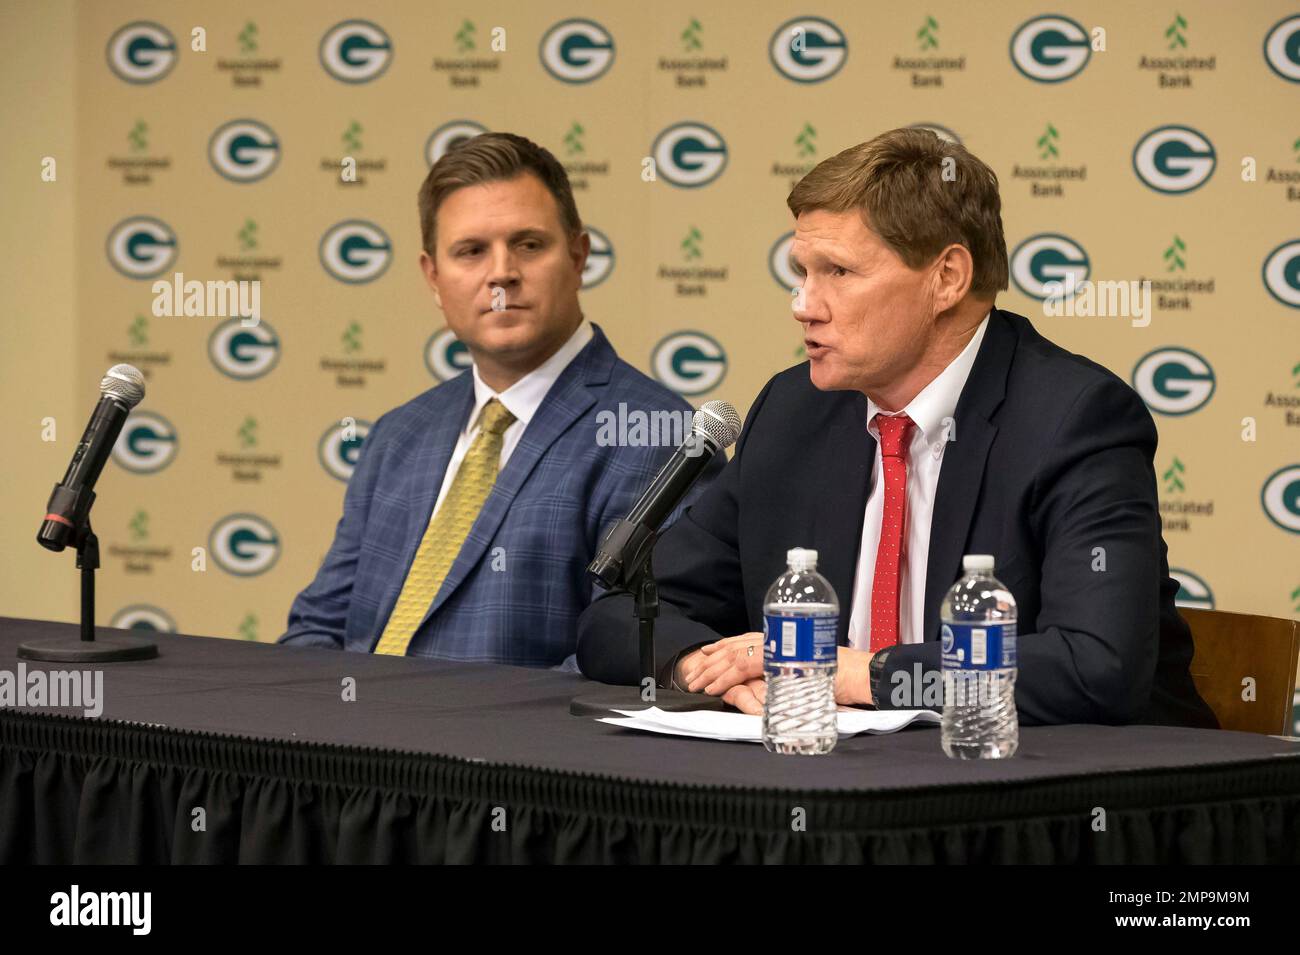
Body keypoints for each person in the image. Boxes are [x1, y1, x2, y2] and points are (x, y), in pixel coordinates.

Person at [577, 127, 1217, 728]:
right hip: (841, 785)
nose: (803, 305)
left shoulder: (1074, 420)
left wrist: (861, 675)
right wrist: (702, 667)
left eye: (839, 273)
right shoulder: (794, 412)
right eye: (802, 272)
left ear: (947, 278)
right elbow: (620, 618)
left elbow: (1095, 669)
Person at [281, 132, 721, 666]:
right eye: (470, 251)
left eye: (529, 244)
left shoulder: (656, 435)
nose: (501, 273)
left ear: (579, 257)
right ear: (433, 278)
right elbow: (318, 626)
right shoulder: (399, 433)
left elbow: (620, 655)